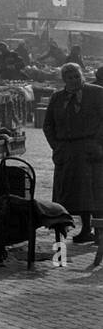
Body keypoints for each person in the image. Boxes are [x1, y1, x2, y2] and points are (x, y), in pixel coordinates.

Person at [42, 63, 103, 243]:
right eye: (70, 77)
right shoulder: (57, 98)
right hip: (67, 152)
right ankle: (82, 229)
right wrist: (57, 147)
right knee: (73, 193)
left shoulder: (97, 93)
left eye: (77, 76)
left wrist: (99, 144)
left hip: (91, 151)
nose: (74, 80)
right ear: (64, 80)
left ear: (82, 75)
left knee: (95, 192)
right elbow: (48, 125)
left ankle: (99, 232)